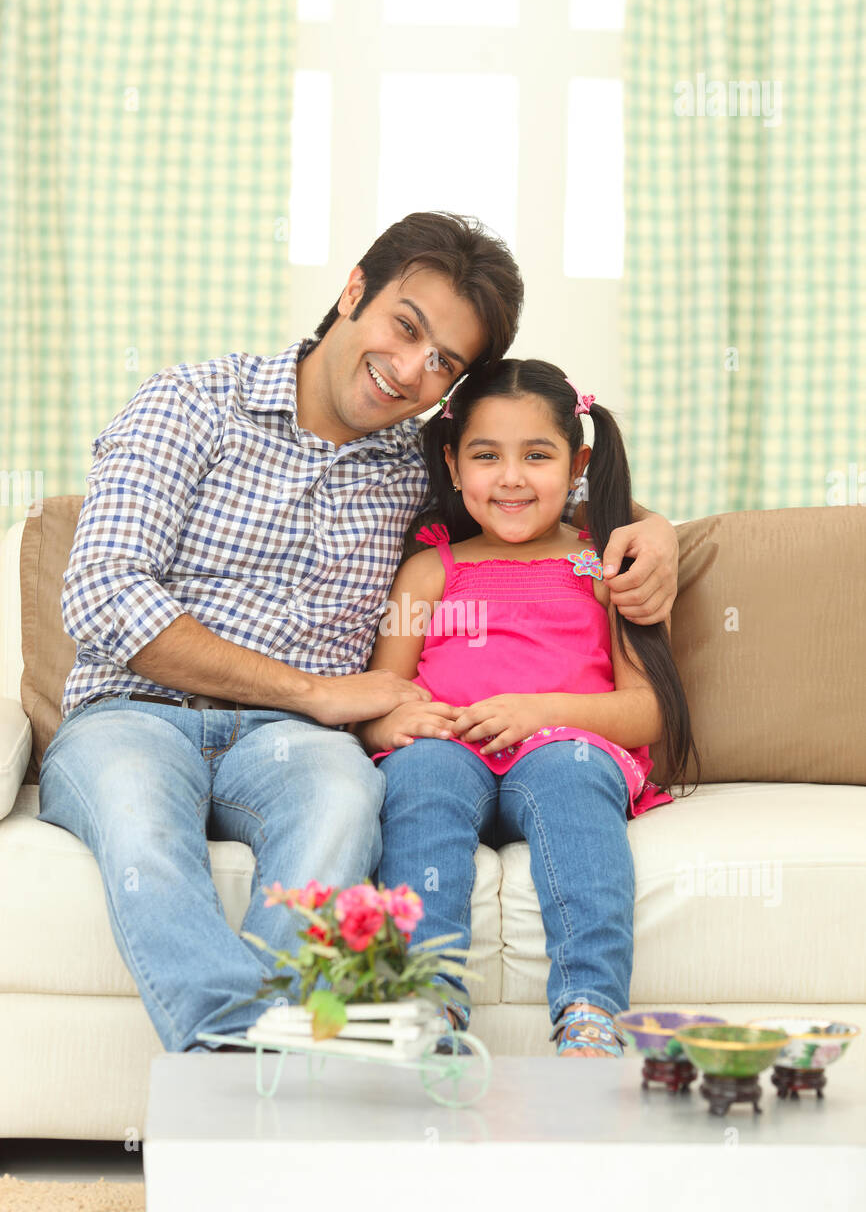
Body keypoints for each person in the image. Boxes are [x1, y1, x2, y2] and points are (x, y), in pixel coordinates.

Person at [36, 211, 681, 1054]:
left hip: (293, 744)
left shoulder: (418, 464)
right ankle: (240, 1057)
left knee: (344, 804)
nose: (409, 369)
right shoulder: (189, 404)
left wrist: (654, 526)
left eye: (442, 362)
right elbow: (103, 596)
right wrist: (321, 694)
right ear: (352, 292)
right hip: (135, 715)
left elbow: (523, 499)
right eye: (404, 327)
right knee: (141, 825)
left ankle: (268, 1068)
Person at [359, 358, 701, 1057]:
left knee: (571, 777)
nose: (511, 478)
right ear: (453, 466)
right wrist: (392, 722)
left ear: (577, 462)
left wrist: (539, 711)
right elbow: (380, 696)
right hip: (451, 750)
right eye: (487, 456)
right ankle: (427, 1006)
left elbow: (648, 711)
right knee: (419, 779)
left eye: (536, 456)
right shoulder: (430, 570)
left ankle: (589, 1010)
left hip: (566, 752)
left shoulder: (609, 564)